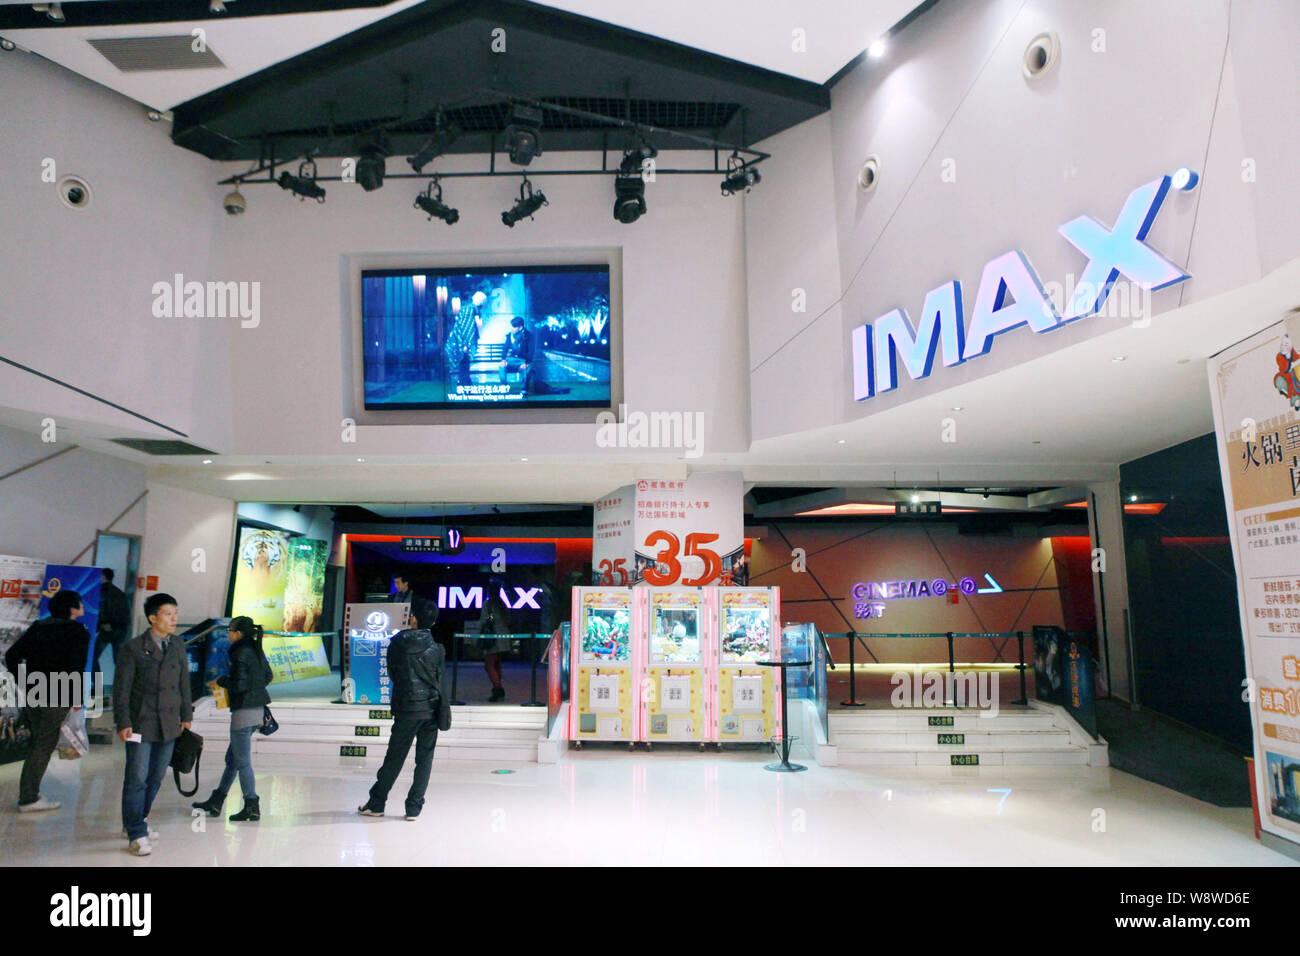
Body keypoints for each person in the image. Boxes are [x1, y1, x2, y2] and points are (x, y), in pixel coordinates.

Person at [114, 593, 193, 857]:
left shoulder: (178, 645)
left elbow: (184, 683)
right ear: (152, 618)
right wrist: (123, 721)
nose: (174, 619)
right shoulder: (133, 648)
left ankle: (138, 820)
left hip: (169, 722)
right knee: (136, 777)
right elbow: (122, 689)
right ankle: (136, 832)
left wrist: (186, 713)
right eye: (168, 614)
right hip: (140, 722)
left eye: (176, 613)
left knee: (156, 776)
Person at [3, 589, 91, 813]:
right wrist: (76, 697)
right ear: (72, 608)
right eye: (79, 604)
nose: (82, 607)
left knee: (38, 742)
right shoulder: (78, 631)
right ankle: (28, 798)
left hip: (35, 692)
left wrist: (24, 681)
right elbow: (76, 668)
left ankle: (29, 793)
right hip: (59, 693)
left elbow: (11, 655)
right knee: (44, 744)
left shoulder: (39, 627)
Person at [357, 613, 450, 821]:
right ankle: (414, 808)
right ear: (433, 622)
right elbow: (439, 679)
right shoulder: (437, 649)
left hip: (406, 708)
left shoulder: (397, 644)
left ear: (414, 618)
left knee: (394, 757)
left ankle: (377, 802)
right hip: (431, 708)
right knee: (425, 758)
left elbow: (393, 674)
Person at [192, 616, 273, 823]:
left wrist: (221, 680)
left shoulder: (239, 652)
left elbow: (238, 685)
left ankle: (251, 805)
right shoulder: (256, 649)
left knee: (243, 762)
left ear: (238, 633)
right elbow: (268, 676)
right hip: (257, 710)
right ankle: (216, 800)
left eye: (230, 630)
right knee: (233, 760)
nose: (228, 634)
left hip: (243, 713)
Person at [93, 568, 130, 676]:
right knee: (119, 662)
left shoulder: (102, 592)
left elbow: (104, 611)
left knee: (93, 657)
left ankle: (98, 688)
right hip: (121, 631)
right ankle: (123, 689)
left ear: (103, 577)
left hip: (107, 630)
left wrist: (103, 625)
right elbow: (124, 613)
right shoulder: (119, 593)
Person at [480, 585, 511, 702]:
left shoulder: (488, 605)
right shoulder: (502, 604)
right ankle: (498, 688)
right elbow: (508, 620)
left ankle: (498, 689)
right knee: (497, 664)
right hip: (503, 637)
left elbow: (486, 619)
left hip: (492, 638)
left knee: (489, 665)